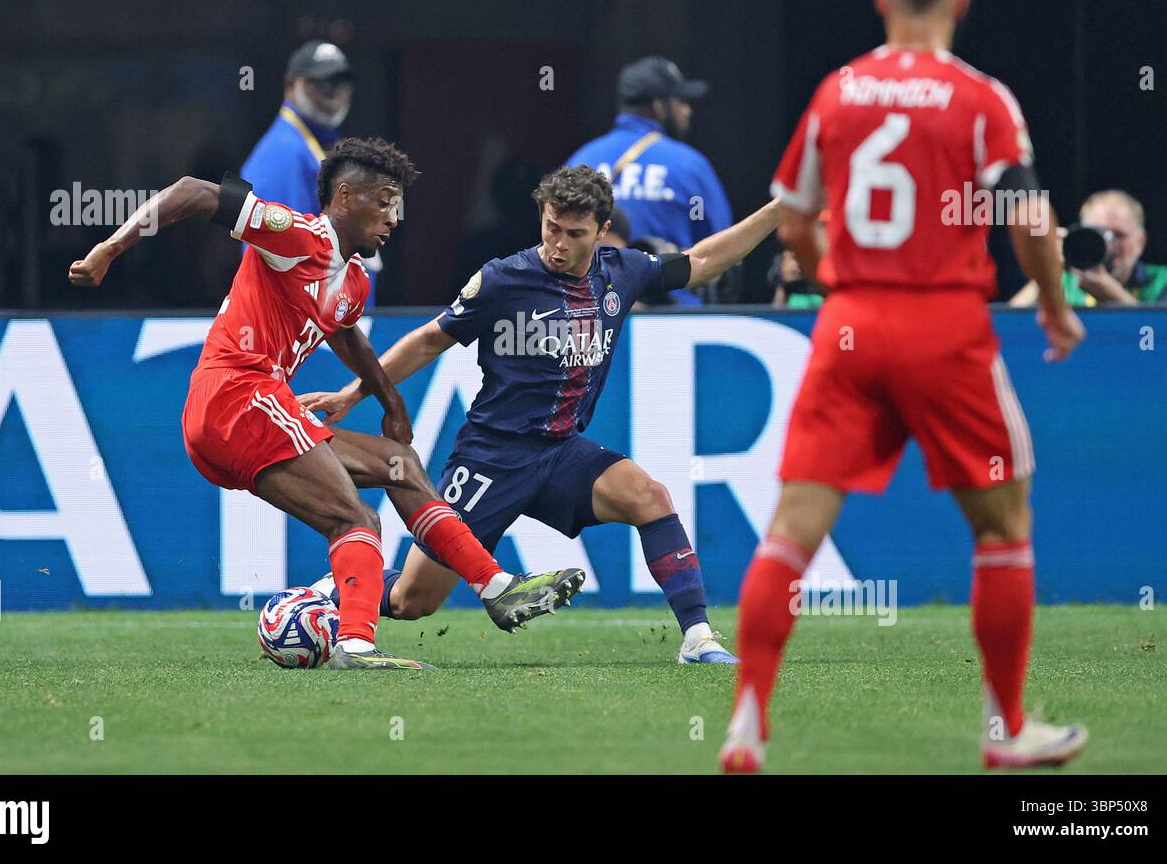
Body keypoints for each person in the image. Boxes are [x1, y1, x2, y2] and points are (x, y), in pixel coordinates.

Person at [721, 0, 1089, 772]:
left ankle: (746, 724)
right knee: (1003, 525)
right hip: (943, 325)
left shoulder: (837, 93)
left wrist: (834, 280)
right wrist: (1059, 308)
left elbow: (798, 220)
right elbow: (1030, 220)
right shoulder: (982, 98)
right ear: (960, 1)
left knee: (790, 533)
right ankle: (1006, 733)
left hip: (850, 325)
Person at [67, 138, 585, 670]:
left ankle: (495, 585)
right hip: (236, 395)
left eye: (397, 204)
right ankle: (355, 644)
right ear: (343, 197)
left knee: (399, 465)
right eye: (383, 201)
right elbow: (192, 192)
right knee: (355, 519)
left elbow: (345, 334)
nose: (393, 217)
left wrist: (390, 400)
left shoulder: (353, 279)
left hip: (248, 410)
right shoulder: (296, 236)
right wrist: (109, 249)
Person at [301, 165, 782, 664]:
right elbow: (428, 340)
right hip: (491, 458)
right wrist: (355, 393)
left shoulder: (624, 271)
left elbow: (702, 260)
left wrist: (778, 210)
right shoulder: (502, 279)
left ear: (600, 231)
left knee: (649, 497)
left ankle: (698, 638)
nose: (558, 243)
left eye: (575, 234)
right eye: (552, 227)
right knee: (412, 601)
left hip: (561, 452)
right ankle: (327, 593)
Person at [566, 56, 733, 304]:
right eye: (682, 102)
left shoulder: (580, 161)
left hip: (593, 318)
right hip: (672, 321)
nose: (688, 111)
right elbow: (725, 248)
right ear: (660, 107)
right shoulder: (689, 165)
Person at [241, 41, 383, 304]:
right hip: (305, 331)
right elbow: (283, 258)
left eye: (341, 84)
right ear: (290, 86)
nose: (332, 94)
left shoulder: (316, 146)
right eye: (319, 84)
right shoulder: (283, 154)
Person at [1010, 190, 1167, 306]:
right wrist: (1047, 270)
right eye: (1098, 234)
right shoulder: (1062, 282)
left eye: (1119, 235)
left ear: (1140, 242)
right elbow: (1006, 327)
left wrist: (1111, 295)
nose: (1110, 246)